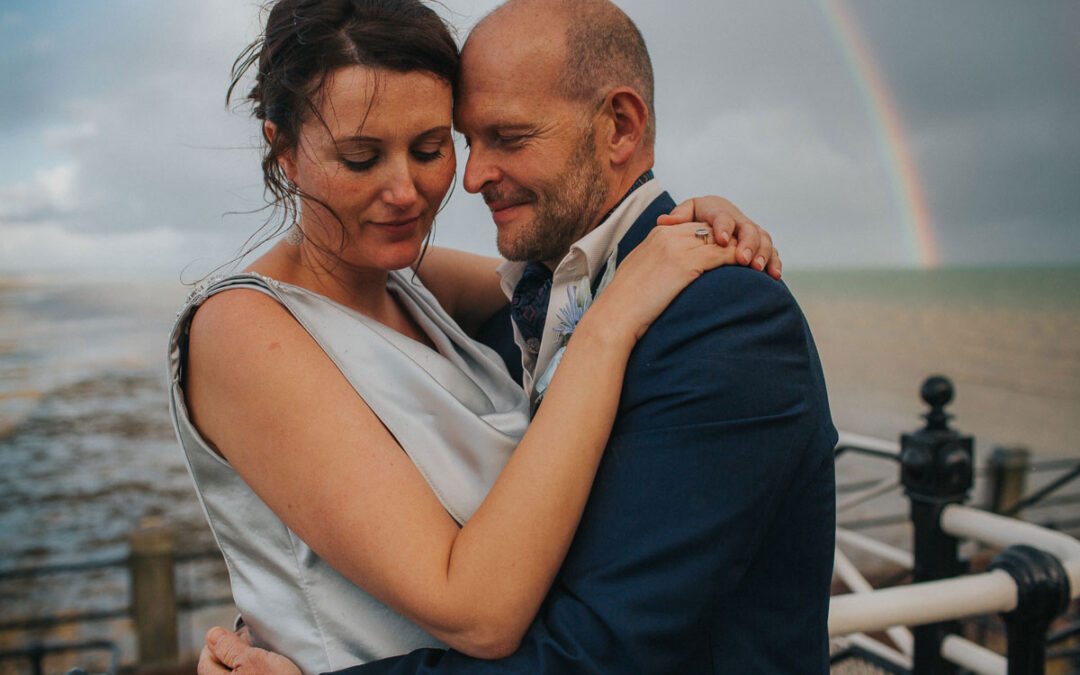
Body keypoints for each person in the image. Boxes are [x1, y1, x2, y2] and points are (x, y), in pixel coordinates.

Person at [200, 0, 837, 673]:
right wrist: (277, 607)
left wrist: (690, 225)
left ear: (619, 126)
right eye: (467, 141)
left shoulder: (725, 321)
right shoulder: (535, 296)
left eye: (434, 147)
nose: (467, 178)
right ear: (285, 150)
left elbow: (597, 651)